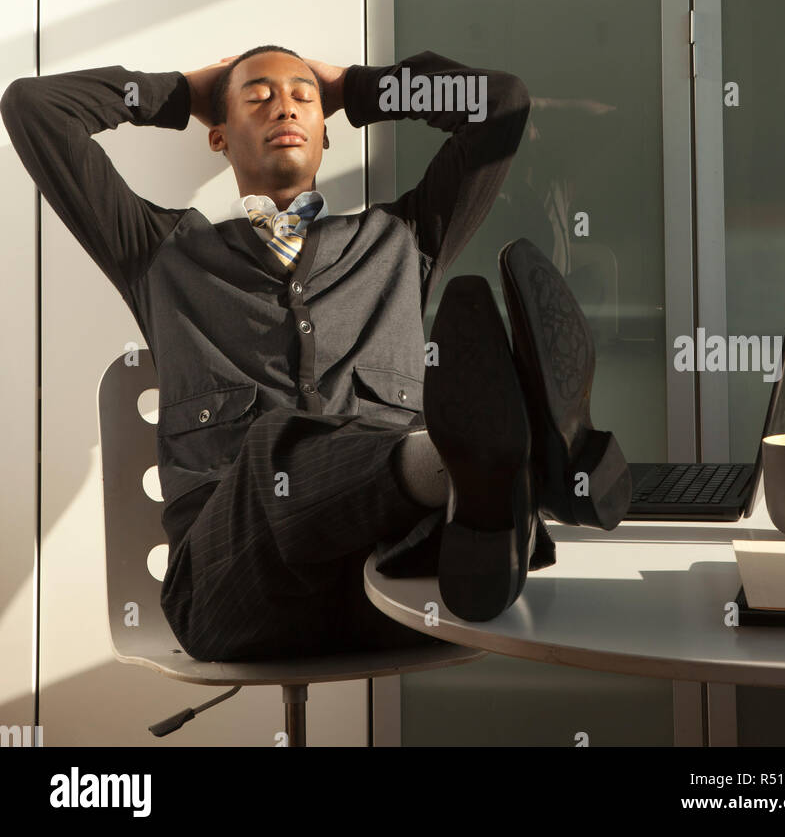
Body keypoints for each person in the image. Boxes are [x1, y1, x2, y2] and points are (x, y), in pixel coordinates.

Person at [1, 45, 630, 659]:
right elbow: (33, 107)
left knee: (358, 469)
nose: (285, 107)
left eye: (305, 98)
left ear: (327, 134)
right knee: (274, 450)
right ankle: (487, 463)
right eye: (258, 98)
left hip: (398, 590)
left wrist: (358, 89)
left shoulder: (402, 243)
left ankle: (476, 472)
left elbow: (499, 106)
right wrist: (185, 92)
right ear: (218, 136)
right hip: (237, 597)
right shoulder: (160, 254)